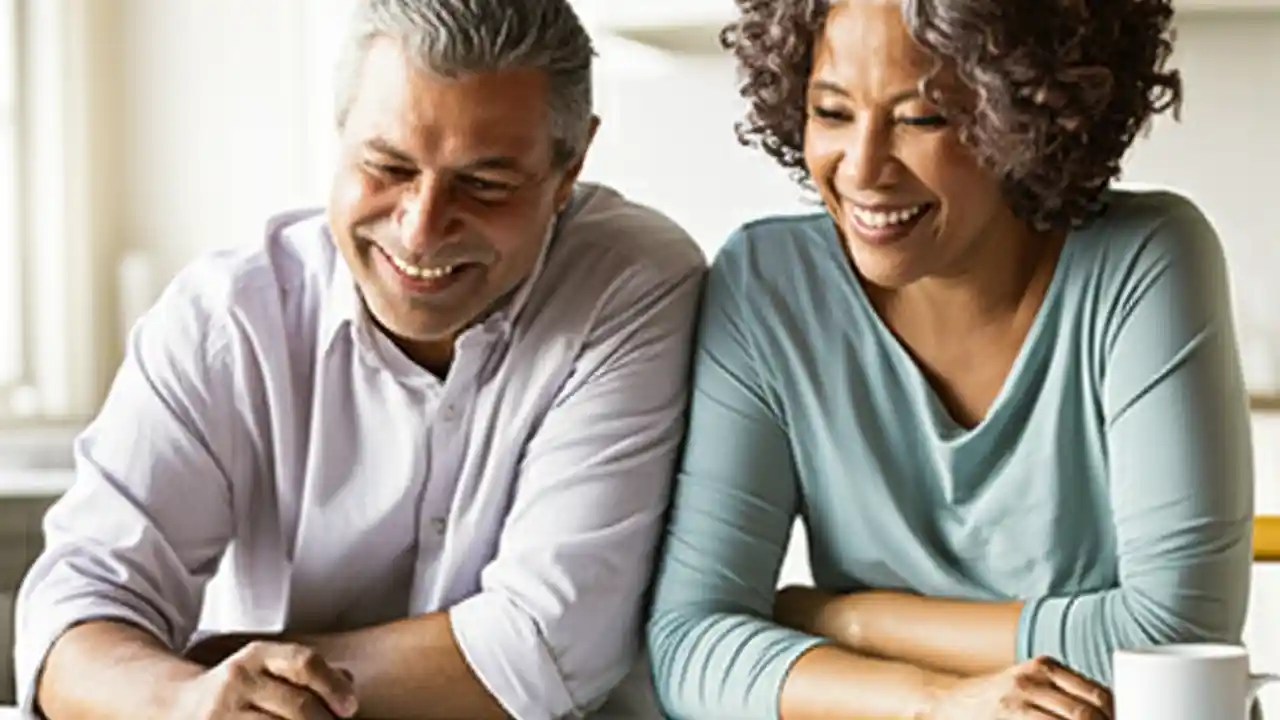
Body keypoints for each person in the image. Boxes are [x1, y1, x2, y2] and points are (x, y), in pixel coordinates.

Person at [17, 1, 705, 718]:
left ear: (570, 171)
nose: (421, 229)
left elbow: (546, 645)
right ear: (341, 132)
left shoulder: (631, 285)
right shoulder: (225, 322)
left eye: (485, 185)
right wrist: (187, 703)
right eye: (387, 166)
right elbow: (70, 620)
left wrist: (222, 669)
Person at [647, 0, 1253, 718]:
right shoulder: (769, 284)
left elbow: (1172, 641)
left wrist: (846, 619)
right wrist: (936, 702)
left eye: (922, 119)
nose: (863, 168)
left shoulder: (1144, 261)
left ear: (1027, 115)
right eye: (832, 112)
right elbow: (687, 647)